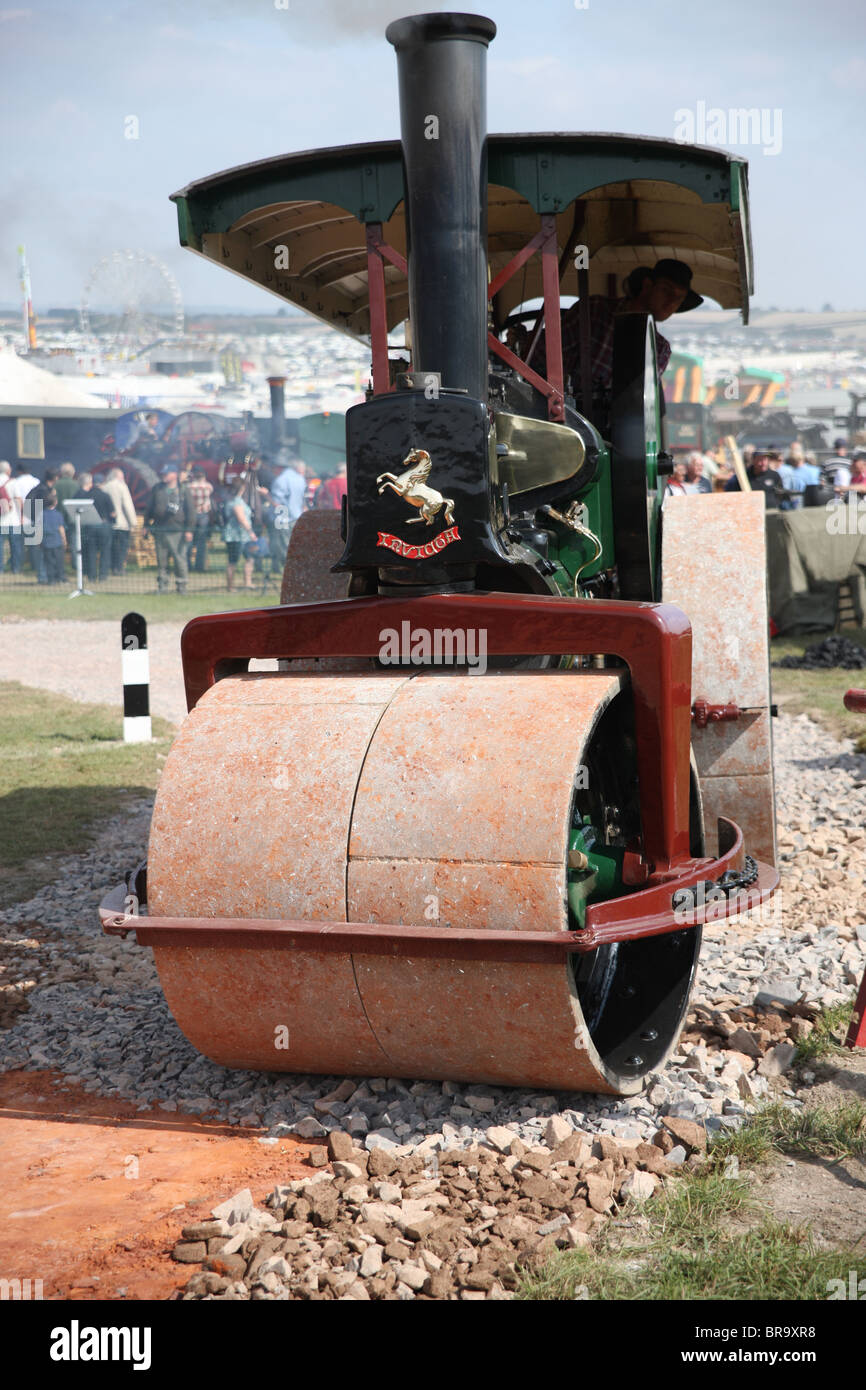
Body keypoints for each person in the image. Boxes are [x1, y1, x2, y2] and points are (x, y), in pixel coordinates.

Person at [530, 258, 703, 403]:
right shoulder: (595, 311)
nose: (671, 302)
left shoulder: (660, 349)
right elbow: (541, 355)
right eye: (666, 291)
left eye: (679, 298)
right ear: (647, 286)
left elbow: (640, 404)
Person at [145, 465, 194, 594]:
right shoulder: (157, 489)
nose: (164, 476)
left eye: (166, 473)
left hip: (178, 531)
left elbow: (191, 512)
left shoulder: (183, 490)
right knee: (162, 561)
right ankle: (162, 586)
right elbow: (149, 508)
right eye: (163, 473)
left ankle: (181, 586)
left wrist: (189, 530)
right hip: (160, 530)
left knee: (180, 560)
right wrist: (146, 525)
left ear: (174, 474)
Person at [73, 472, 115, 581]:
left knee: (91, 551)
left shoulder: (86, 495)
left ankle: (91, 576)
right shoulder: (105, 496)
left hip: (90, 526)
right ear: (102, 483)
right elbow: (112, 513)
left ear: (92, 483)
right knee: (105, 551)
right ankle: (103, 575)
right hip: (103, 525)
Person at [99, 467, 138, 574]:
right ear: (118, 476)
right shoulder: (122, 486)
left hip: (109, 523)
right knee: (122, 547)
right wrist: (133, 522)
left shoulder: (104, 487)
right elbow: (127, 505)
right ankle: (119, 568)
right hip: (122, 523)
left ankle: (112, 567)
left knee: (112, 547)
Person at [223, 474, 257, 591]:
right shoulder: (236, 502)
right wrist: (251, 532)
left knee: (249, 558)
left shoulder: (236, 500)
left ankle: (248, 582)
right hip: (235, 536)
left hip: (243, 536)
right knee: (233, 561)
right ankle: (230, 586)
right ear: (242, 487)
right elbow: (241, 518)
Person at [185, 465, 214, 572]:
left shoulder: (189, 487)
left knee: (188, 541)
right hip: (203, 515)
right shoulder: (208, 486)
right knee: (201, 542)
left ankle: (188, 566)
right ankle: (200, 566)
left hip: (190, 515)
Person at [270, 458, 307, 540]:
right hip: (297, 517)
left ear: (278, 467)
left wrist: (266, 495)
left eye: (273, 468)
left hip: (283, 520)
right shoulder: (300, 479)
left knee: (281, 548)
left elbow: (277, 504)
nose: (272, 470)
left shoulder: (280, 480)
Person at [39, 489, 66, 584]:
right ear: (55, 502)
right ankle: (61, 577)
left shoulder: (41, 514)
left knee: (48, 562)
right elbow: (61, 528)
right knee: (59, 561)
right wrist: (64, 540)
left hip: (46, 542)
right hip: (57, 541)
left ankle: (51, 579)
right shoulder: (58, 514)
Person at [0, 460, 22, 574]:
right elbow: (18, 499)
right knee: (15, 546)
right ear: (8, 470)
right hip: (13, 520)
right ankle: (16, 568)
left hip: (1, 522)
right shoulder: (13, 482)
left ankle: (0, 569)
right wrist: (21, 515)